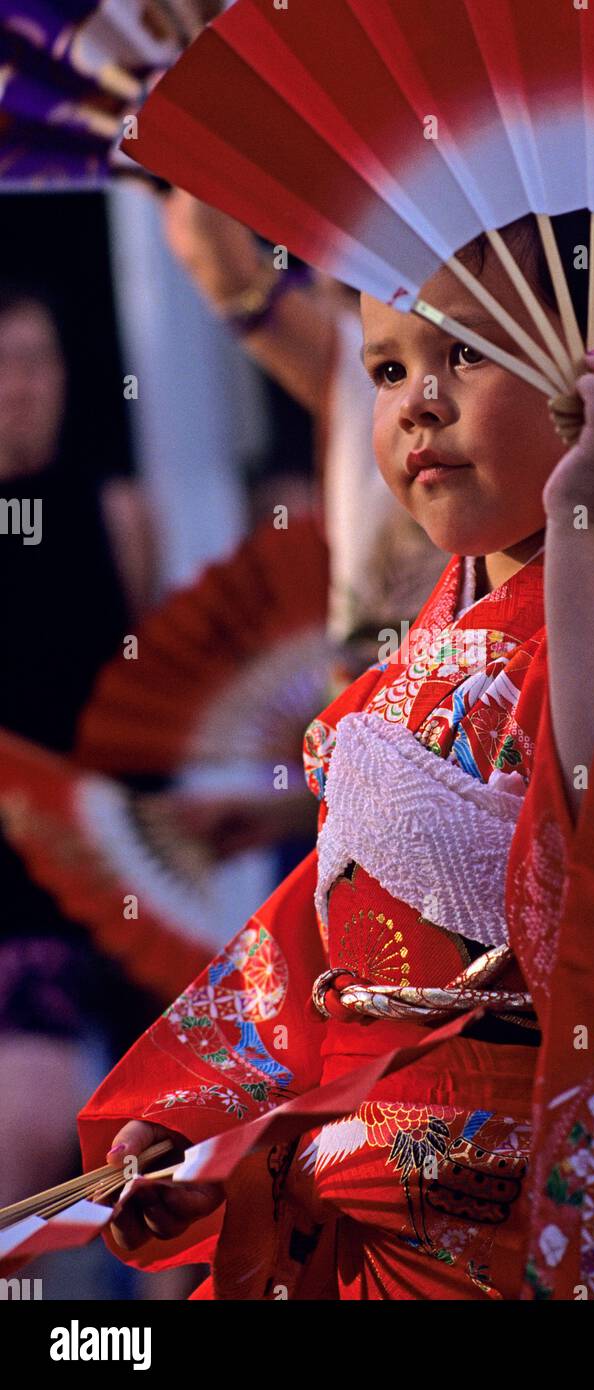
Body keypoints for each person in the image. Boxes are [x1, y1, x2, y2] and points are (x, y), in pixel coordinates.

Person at [78, 212, 594, 1300]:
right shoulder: (414, 670)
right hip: (364, 1225)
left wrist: (592, 531)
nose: (418, 404)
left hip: (521, 1232)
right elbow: (326, 941)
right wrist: (195, 1124)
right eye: (388, 369)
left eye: (469, 353)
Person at [0, 283, 158, 1225]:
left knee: (156, 1172)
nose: (22, 388)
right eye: (3, 366)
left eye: (37, 362)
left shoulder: (115, 512)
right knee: (25, 1149)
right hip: (14, 888)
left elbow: (154, 707)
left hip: (110, 870)